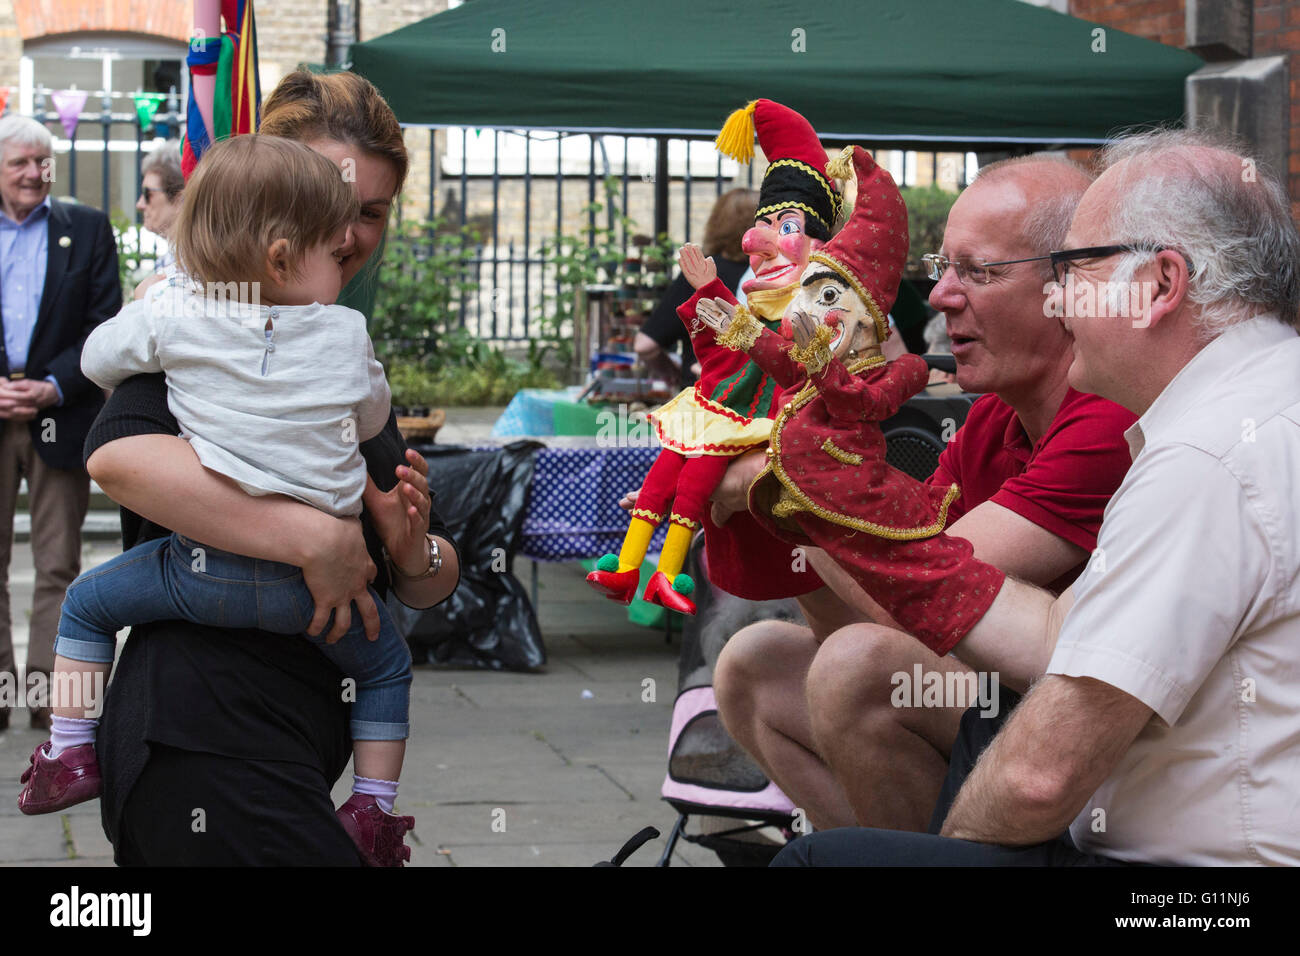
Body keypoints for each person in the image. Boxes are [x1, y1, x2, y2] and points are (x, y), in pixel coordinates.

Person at [776, 126, 1300, 866]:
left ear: (1161, 286)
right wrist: (832, 501)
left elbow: (1038, 778)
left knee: (814, 862)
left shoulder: (1207, 457)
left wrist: (950, 858)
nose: (1058, 298)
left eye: (1074, 268)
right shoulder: (1255, 403)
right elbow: (1059, 634)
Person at [82, 70, 460, 866]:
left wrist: (413, 547)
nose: (351, 234)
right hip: (199, 729)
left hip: (298, 730)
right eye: (331, 203)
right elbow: (117, 460)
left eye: (371, 212)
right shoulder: (194, 320)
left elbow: (420, 580)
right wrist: (312, 541)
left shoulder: (335, 341)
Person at [711, 154, 1137, 831]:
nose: (939, 296)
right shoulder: (996, 415)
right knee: (753, 667)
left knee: (857, 673)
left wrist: (788, 484)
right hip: (993, 698)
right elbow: (867, 614)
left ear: (1070, 289)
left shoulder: (1107, 418)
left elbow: (914, 598)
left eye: (978, 271)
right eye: (945, 269)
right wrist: (779, 492)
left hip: (1088, 744)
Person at [0, 115, 121, 733]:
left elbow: (104, 325)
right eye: (20, 161)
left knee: (56, 566)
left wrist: (51, 385)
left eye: (42, 162)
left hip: (61, 418)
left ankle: (49, 698)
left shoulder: (88, 228)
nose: (32, 173)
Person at [635, 188, 756, 388]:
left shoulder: (698, 272)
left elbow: (644, 345)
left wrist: (672, 372)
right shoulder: (770, 275)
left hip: (701, 393)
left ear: (717, 224)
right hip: (752, 395)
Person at [132, 140, 185, 299]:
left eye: (148, 194)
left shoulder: (194, 266)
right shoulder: (171, 259)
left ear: (179, 198)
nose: (140, 204)